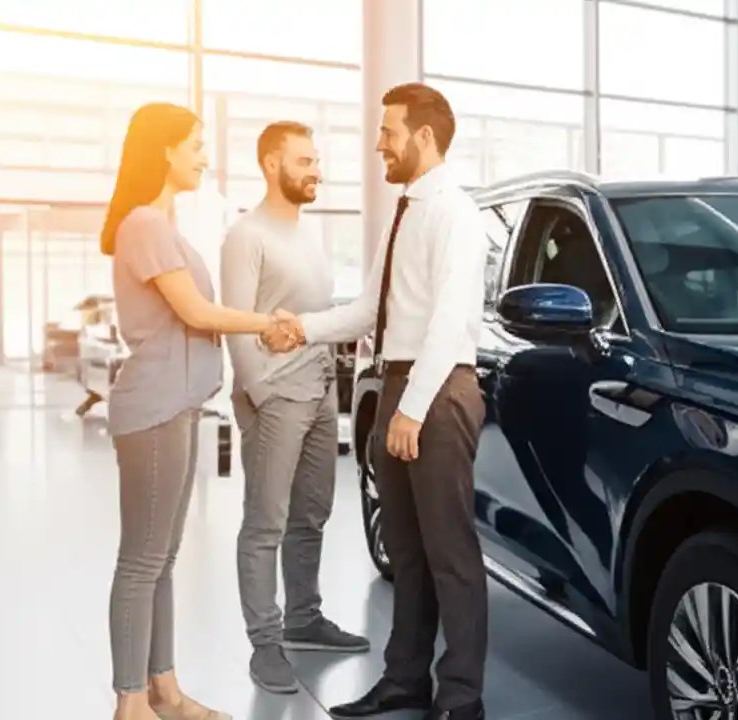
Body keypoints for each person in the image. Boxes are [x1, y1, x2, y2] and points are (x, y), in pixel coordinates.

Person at [267, 83, 489, 720]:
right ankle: (405, 682)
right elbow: (370, 310)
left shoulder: (455, 213)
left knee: (451, 555)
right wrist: (300, 328)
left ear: (422, 137)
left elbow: (449, 322)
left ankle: (462, 702)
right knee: (406, 549)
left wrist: (412, 409)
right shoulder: (407, 211)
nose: (378, 144)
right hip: (400, 382)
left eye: (388, 132)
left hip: (437, 389)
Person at [101, 102, 285, 720]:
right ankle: (132, 704)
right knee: (143, 560)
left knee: (163, 557)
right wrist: (270, 323)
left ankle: (166, 692)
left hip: (175, 407)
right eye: (197, 144)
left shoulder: (162, 224)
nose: (205, 155)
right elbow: (197, 314)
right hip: (153, 409)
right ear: (165, 150)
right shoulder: (146, 225)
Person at [220, 120, 370, 696]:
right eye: (304, 161)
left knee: (312, 515)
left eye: (316, 161)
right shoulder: (247, 235)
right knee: (265, 523)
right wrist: (259, 395)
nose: (316, 171)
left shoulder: (308, 234)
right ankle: (266, 643)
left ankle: (304, 620)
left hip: (319, 392)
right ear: (270, 164)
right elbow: (234, 323)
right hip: (276, 398)